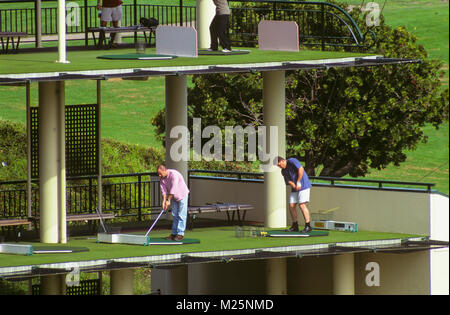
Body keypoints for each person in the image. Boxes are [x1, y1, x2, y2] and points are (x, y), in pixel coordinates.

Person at [276, 156, 313, 233]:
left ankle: (308, 226)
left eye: (279, 165)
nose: (279, 167)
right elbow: (288, 181)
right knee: (291, 206)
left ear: (282, 161)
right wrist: (292, 184)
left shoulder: (292, 160)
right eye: (278, 166)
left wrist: (298, 182)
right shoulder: (283, 171)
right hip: (295, 189)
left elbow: (301, 169)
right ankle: (295, 226)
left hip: (304, 185)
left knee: (302, 205)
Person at [157, 164, 190, 241]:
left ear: (165, 170)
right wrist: (164, 201)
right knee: (175, 215)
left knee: (181, 215)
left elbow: (173, 189)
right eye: (158, 174)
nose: (159, 175)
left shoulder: (174, 174)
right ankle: (174, 233)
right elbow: (164, 190)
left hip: (182, 195)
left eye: (160, 173)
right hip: (174, 197)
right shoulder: (162, 178)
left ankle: (180, 234)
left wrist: (168, 200)